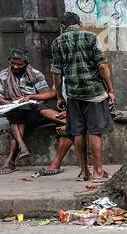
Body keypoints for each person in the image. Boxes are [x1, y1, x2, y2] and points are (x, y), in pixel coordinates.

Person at [49, 11, 116, 182]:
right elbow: (102, 66)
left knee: (78, 132)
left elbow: (57, 73)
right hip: (94, 93)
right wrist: (110, 90)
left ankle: (84, 172)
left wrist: (59, 96)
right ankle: (98, 172)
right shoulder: (91, 37)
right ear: (79, 23)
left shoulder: (57, 42)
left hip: (73, 94)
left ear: (62, 27)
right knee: (95, 132)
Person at [0, 49, 70, 175]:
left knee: (18, 117)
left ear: (25, 63)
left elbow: (47, 94)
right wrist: (9, 103)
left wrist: (31, 97)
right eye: (13, 63)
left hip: (33, 109)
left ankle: (13, 157)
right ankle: (22, 147)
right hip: (16, 109)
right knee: (15, 114)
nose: (15, 67)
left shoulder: (35, 74)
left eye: (19, 64)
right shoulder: (3, 75)